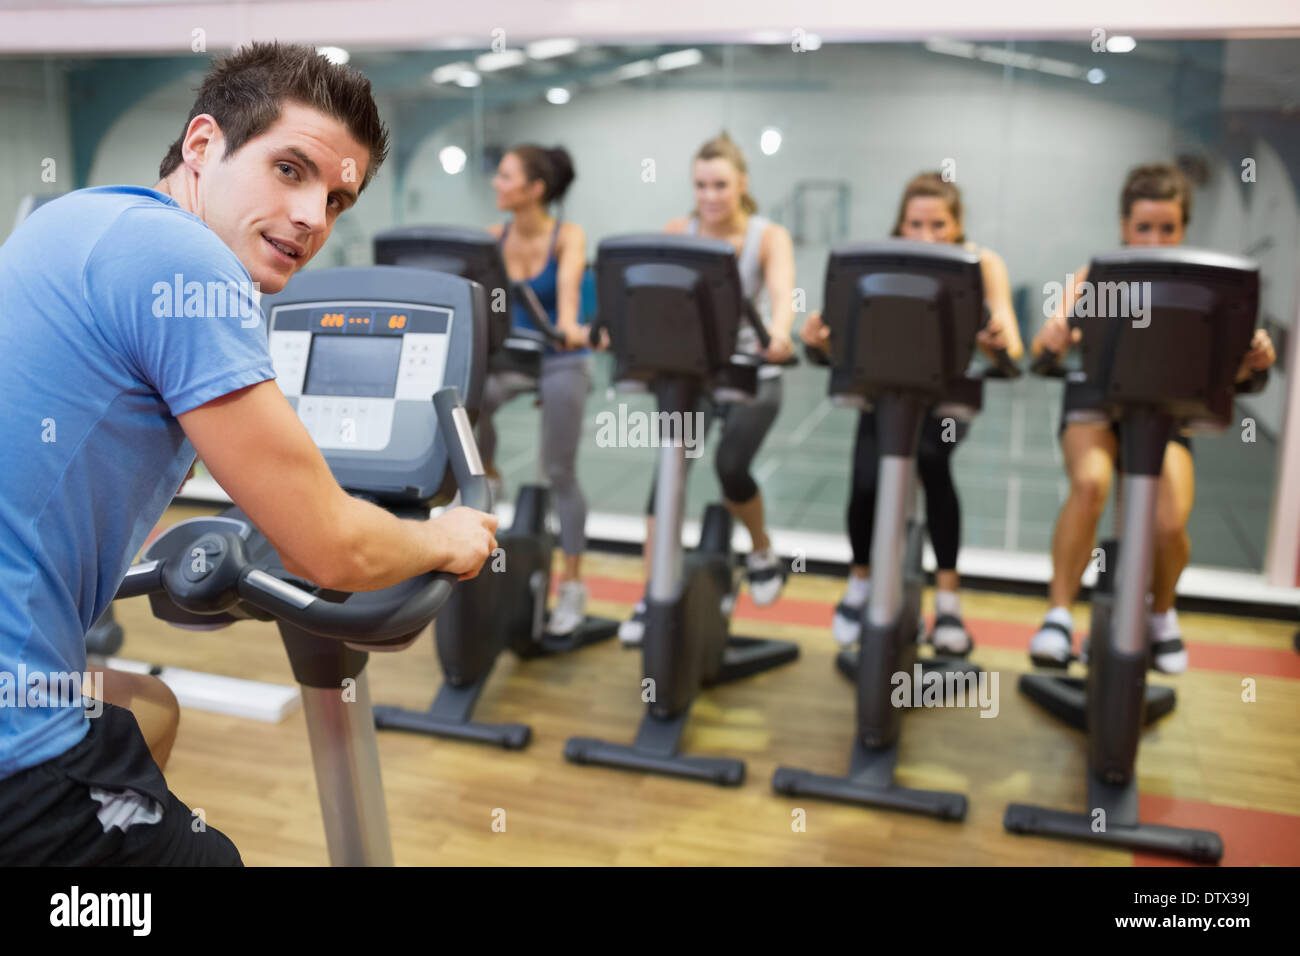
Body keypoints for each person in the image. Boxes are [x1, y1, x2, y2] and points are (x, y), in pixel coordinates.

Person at [0, 42, 498, 866]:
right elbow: (328, 547)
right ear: (202, 146)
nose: (312, 217)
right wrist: (448, 537)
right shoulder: (183, 260)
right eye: (290, 170)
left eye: (338, 197)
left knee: (146, 706)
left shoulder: (73, 218)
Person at [1027, 162, 1275, 673]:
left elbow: (1239, 375)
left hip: (1166, 412)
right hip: (1096, 403)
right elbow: (1043, 349)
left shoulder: (1207, 286)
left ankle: (1162, 613)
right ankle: (1057, 614)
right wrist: (1052, 339)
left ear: (1184, 228)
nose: (1155, 238)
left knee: (1168, 522)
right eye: (1144, 228)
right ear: (1124, 226)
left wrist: (1254, 362)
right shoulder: (1093, 278)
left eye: (1168, 228)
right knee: (1092, 484)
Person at [801, 172, 1024, 655]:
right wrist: (819, 340)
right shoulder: (876, 264)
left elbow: (1012, 345)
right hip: (884, 390)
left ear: (958, 224)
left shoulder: (982, 265)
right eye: (916, 224)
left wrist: (996, 342)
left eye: (938, 224)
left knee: (932, 462)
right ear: (900, 226)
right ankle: (860, 582)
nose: (926, 236)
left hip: (945, 397)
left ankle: (947, 601)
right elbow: (840, 335)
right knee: (864, 481)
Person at [619, 132, 797, 645]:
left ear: (741, 184)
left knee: (731, 467)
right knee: (668, 475)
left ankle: (761, 549)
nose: (710, 196)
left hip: (752, 370)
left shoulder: (768, 236)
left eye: (720, 184)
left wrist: (781, 333)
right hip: (694, 372)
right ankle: (652, 595)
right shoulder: (681, 229)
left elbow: (783, 293)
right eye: (701, 185)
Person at [476, 145, 596, 636]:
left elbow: (568, 301)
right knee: (471, 397)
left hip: (561, 355)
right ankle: (489, 476)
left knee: (560, 469)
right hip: (513, 359)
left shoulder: (568, 236)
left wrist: (569, 325)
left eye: (505, 176)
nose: (496, 184)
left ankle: (572, 586)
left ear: (534, 190)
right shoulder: (490, 239)